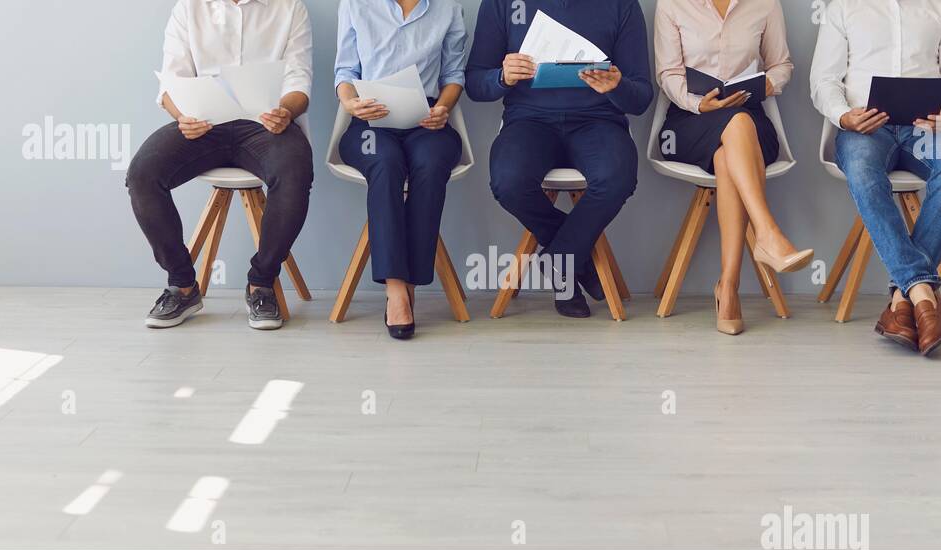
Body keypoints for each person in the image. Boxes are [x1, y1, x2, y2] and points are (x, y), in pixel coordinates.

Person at [127, 0, 314, 331]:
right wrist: (182, 117)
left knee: (295, 170)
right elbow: (170, 80)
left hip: (266, 124)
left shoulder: (289, 7)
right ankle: (182, 285)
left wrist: (285, 110)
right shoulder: (188, 8)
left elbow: (299, 78)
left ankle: (262, 283)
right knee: (142, 173)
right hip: (203, 124)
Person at [466, 0, 653, 318]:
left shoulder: (622, 6)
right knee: (508, 180)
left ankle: (558, 260)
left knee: (617, 176)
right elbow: (474, 83)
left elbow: (641, 97)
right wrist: (502, 76)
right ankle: (573, 260)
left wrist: (617, 86)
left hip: (598, 121)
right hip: (529, 121)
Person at [810, 0, 941, 356]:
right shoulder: (842, 8)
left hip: (924, 128)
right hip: (865, 129)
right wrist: (844, 116)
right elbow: (823, 80)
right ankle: (924, 296)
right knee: (865, 175)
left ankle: (905, 298)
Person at [655, 0, 813, 336]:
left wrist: (763, 86)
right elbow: (667, 73)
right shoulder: (671, 4)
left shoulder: (765, 4)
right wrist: (699, 102)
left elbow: (781, 64)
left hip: (751, 119)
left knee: (730, 150)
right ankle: (766, 235)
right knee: (732, 134)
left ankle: (728, 287)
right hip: (689, 120)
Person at [335, 0, 467, 340]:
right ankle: (396, 289)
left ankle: (412, 282)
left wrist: (443, 107)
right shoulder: (355, 4)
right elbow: (346, 72)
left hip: (426, 122)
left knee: (431, 162)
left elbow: (453, 75)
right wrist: (351, 103)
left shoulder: (448, 7)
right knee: (385, 162)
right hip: (369, 124)